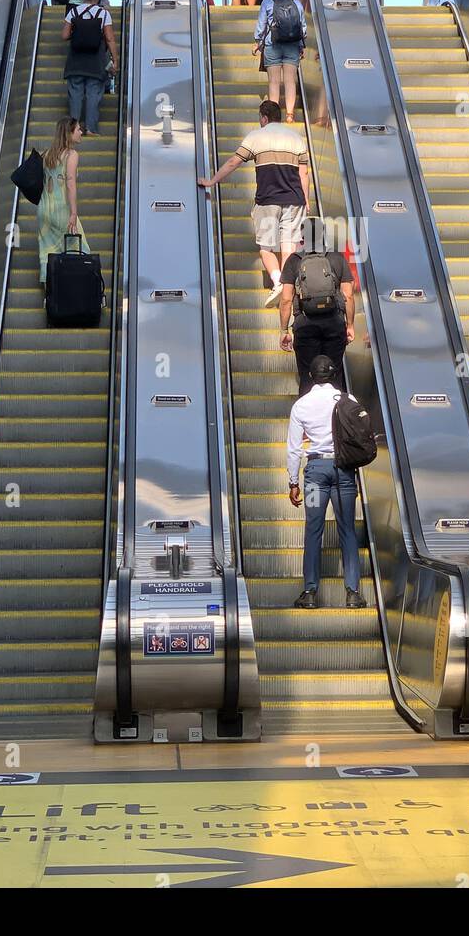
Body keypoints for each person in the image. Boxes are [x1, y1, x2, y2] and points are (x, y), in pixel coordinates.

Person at [197, 100, 308, 307]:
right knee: (288, 247)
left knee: (266, 248)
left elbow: (234, 162)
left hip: (267, 201)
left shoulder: (256, 136)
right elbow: (304, 173)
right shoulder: (296, 138)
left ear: (264, 118)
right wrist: (307, 199)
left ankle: (278, 282)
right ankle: (288, 288)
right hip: (294, 200)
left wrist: (212, 181)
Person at [286, 354, 366, 610]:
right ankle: (352, 592)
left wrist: (292, 481)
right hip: (344, 470)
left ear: (311, 376)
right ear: (333, 375)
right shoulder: (348, 399)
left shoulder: (302, 405)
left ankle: (309, 592)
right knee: (347, 530)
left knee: (313, 529)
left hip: (315, 473)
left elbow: (294, 448)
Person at [279, 218, 355, 395]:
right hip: (334, 324)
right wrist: (350, 325)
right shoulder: (336, 258)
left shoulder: (294, 260)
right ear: (323, 235)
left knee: (307, 376)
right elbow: (349, 295)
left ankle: (307, 415)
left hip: (305, 324)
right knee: (334, 374)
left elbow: (286, 300)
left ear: (302, 238)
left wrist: (284, 330)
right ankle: (335, 417)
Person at [37, 116, 90, 286]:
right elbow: (70, 183)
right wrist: (73, 212)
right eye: (78, 129)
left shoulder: (46, 154)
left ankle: (50, 296)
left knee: (47, 253)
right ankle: (75, 295)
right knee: (80, 250)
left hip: (44, 210)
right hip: (62, 209)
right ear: (69, 133)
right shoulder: (71, 154)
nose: (81, 132)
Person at [61, 0, 118, 136]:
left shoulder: (73, 12)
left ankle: (73, 131)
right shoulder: (103, 13)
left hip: (76, 61)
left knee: (75, 95)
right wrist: (115, 60)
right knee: (94, 95)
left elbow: (65, 35)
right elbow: (110, 39)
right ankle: (91, 129)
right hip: (96, 62)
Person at [254, 0, 307, 123]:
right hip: (292, 45)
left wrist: (258, 41)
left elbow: (261, 25)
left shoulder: (267, 2)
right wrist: (301, 44)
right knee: (290, 81)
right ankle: (290, 115)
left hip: (272, 45)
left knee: (274, 82)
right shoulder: (296, 1)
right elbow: (302, 25)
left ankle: (273, 117)